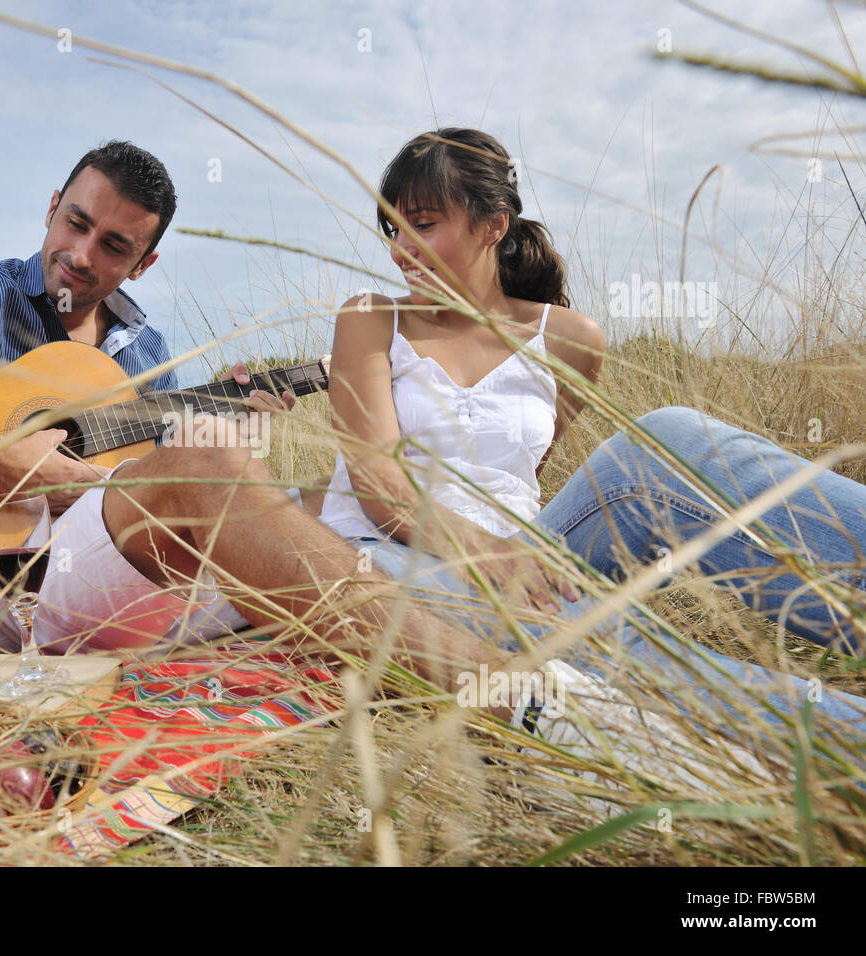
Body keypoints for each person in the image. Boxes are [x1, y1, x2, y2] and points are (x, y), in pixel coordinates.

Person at [0, 139, 510, 700]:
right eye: (76, 223)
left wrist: (229, 431)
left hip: (93, 576)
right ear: (51, 208)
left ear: (145, 263)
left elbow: (158, 488)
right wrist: (0, 460)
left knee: (314, 504)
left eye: (113, 245)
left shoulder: (148, 356)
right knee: (250, 507)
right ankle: (515, 695)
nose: (79, 254)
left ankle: (515, 643)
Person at [319, 127, 866, 739]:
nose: (400, 248)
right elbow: (377, 481)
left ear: (492, 224)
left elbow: (527, 471)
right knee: (583, 630)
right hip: (392, 557)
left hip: (527, 548)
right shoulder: (371, 317)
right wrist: (492, 556)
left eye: (422, 223)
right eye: (393, 229)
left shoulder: (571, 338)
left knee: (670, 435)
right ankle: (838, 740)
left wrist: (520, 553)